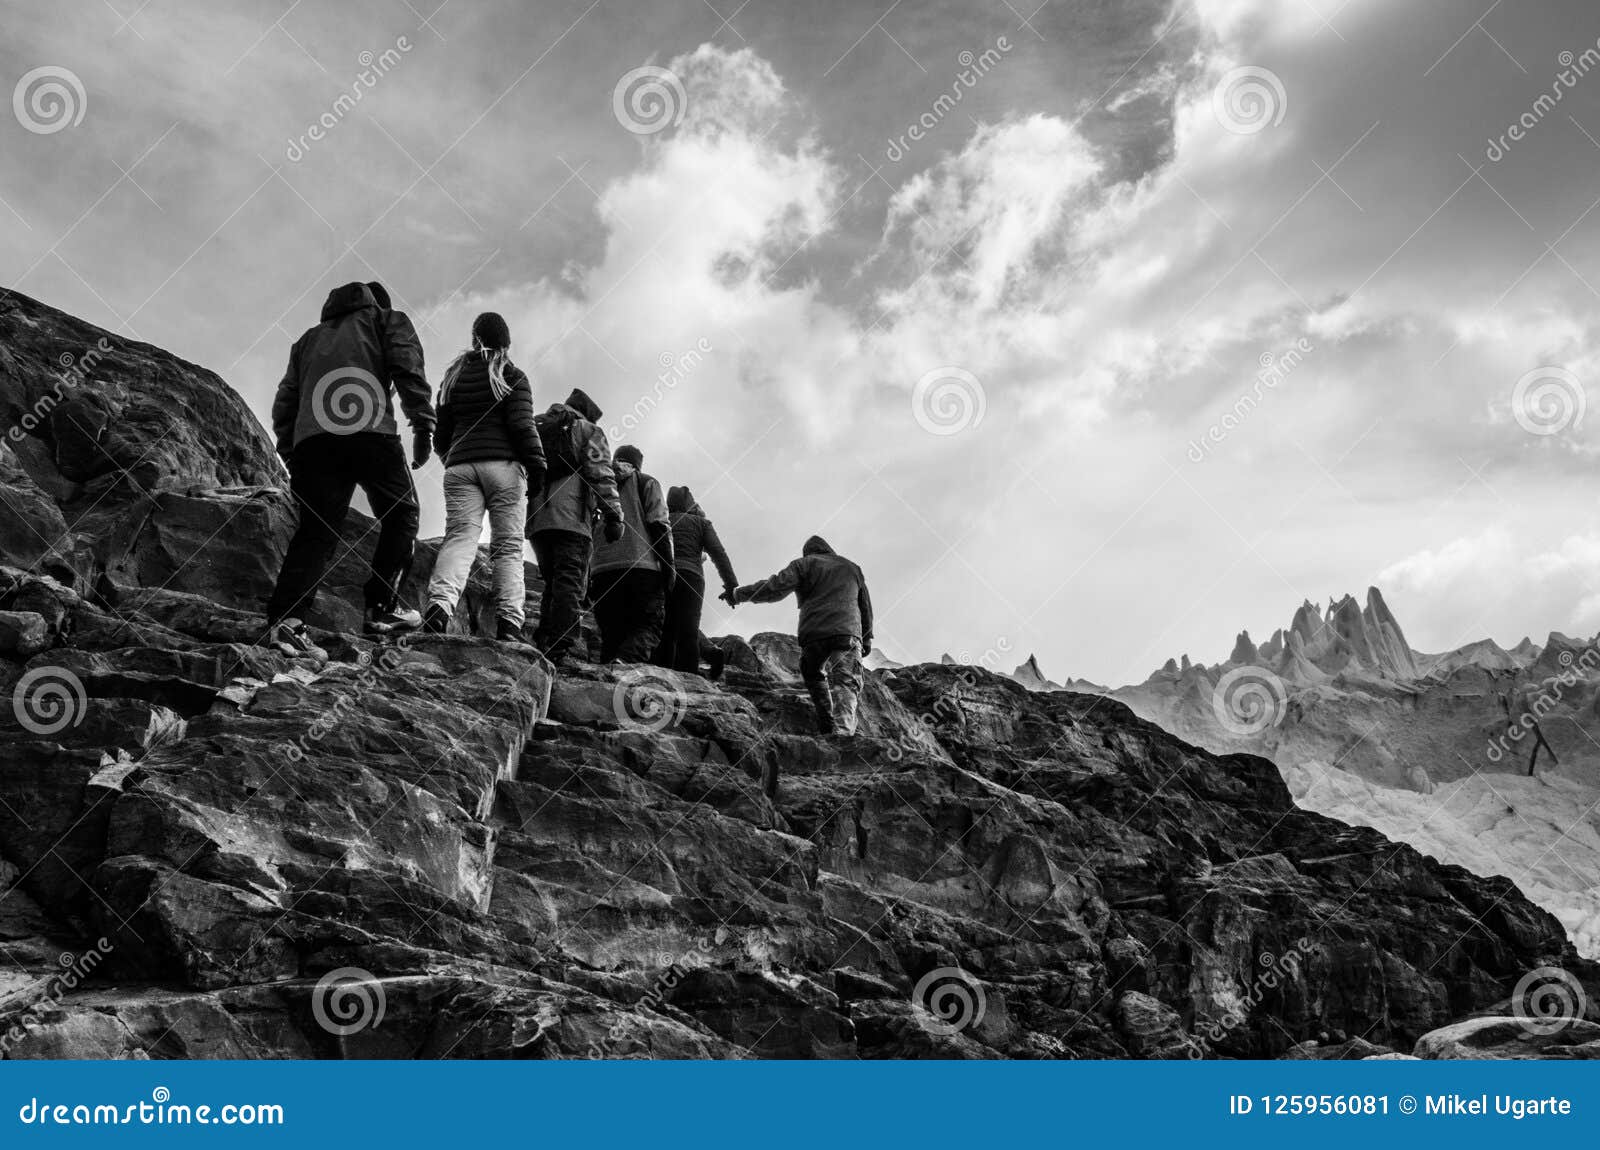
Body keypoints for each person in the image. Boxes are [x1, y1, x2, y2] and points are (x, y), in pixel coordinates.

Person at [265, 280, 433, 647]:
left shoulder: (307, 340)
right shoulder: (387, 320)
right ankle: (381, 609)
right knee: (402, 513)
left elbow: (285, 401)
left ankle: (287, 623)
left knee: (316, 531)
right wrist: (423, 425)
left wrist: (292, 451)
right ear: (375, 305)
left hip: (313, 442)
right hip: (371, 430)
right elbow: (408, 367)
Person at [421, 312, 545, 641]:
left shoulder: (453, 377)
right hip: (504, 468)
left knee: (460, 538)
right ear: (505, 342)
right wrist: (537, 467)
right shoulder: (512, 375)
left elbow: (441, 433)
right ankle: (509, 624)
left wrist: (453, 458)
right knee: (507, 548)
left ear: (475, 339)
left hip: (461, 467)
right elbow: (522, 426)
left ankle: (438, 608)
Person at [731, 536, 873, 735]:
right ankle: (843, 732)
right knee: (846, 681)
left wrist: (738, 594)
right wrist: (866, 638)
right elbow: (864, 607)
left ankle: (827, 724)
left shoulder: (803, 564)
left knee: (813, 674)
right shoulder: (851, 568)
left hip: (814, 634)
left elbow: (774, 588)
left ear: (808, 552)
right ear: (829, 550)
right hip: (846, 633)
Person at [527, 388, 622, 662]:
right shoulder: (589, 430)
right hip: (571, 519)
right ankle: (561, 648)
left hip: (538, 520)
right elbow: (600, 473)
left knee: (553, 583)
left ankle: (543, 643)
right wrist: (614, 515)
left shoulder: (537, 424)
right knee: (570, 583)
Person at [588, 445, 673, 663]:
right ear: (637, 464)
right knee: (648, 624)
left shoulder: (597, 484)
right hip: (640, 566)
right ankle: (625, 663)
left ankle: (608, 672)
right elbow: (659, 524)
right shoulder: (647, 482)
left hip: (602, 569)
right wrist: (668, 567)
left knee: (611, 633)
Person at [654, 485, 737, 676]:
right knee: (689, 632)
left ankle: (663, 679)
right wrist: (731, 586)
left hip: (665, 575)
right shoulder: (702, 523)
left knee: (666, 630)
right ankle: (691, 681)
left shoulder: (662, 519)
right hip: (693, 577)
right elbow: (719, 555)